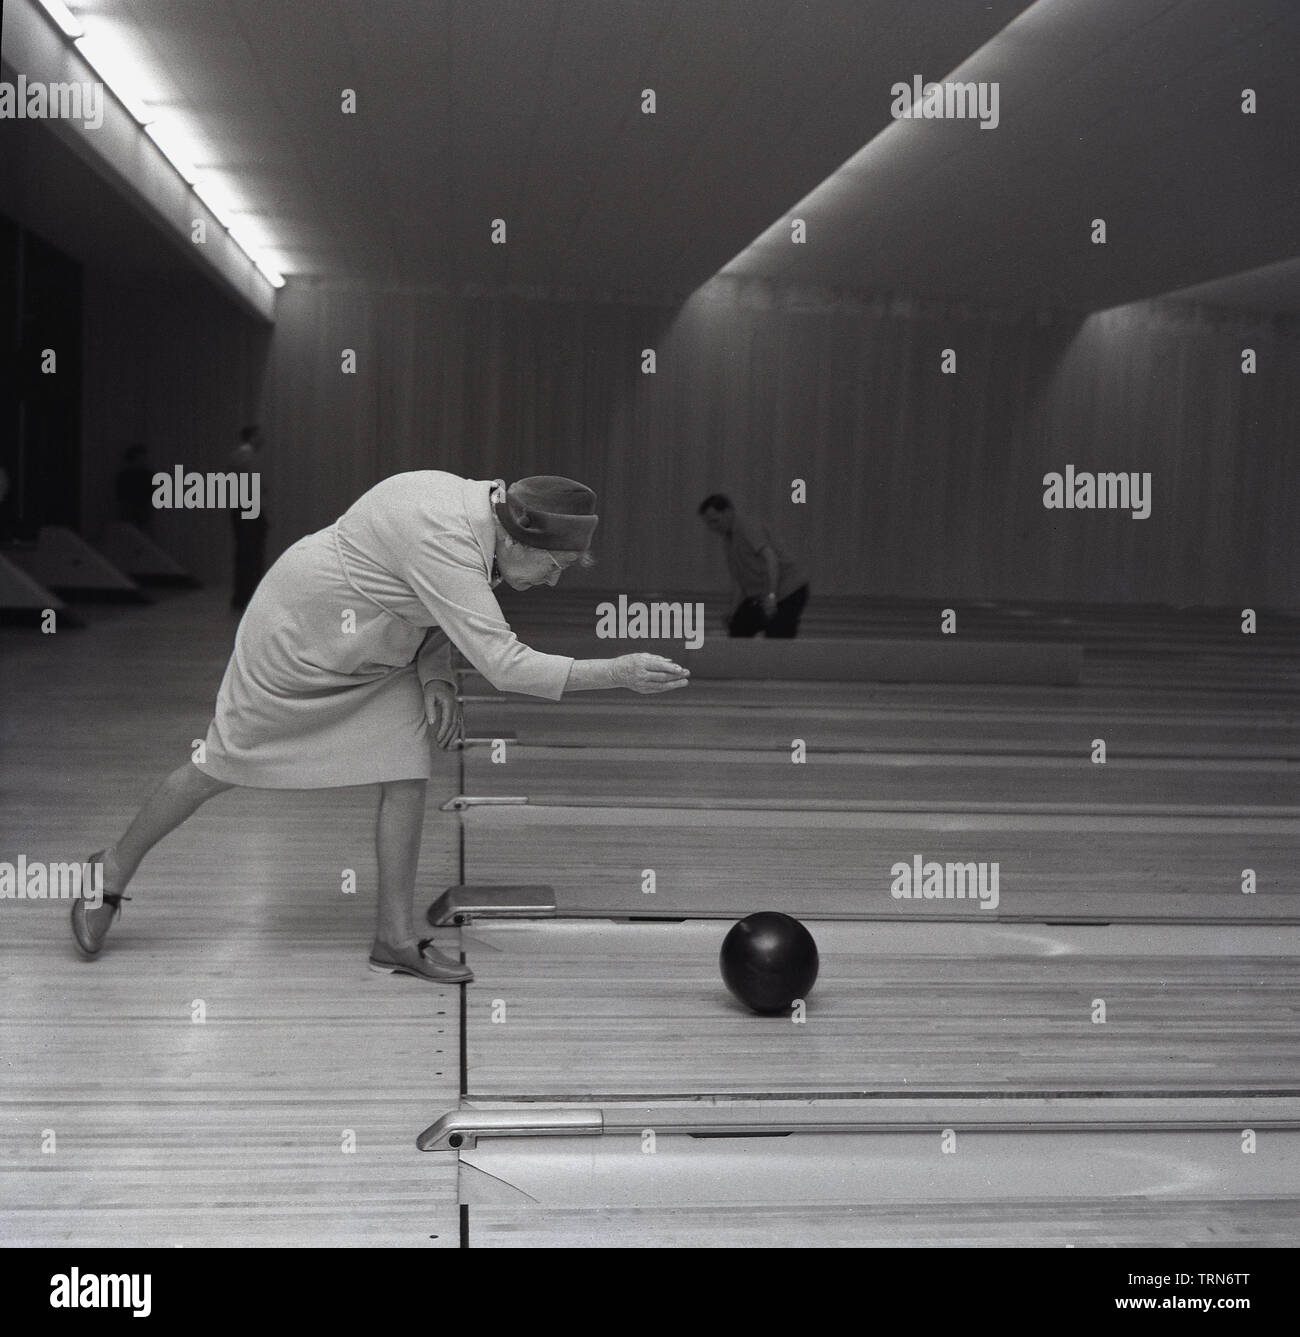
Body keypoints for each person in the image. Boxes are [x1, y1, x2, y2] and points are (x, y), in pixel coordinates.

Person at [72, 472, 689, 984]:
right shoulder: (447, 534)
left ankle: (393, 939)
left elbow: (433, 602)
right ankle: (110, 871)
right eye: (556, 565)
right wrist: (618, 671)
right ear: (518, 536)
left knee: (406, 772)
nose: (554, 580)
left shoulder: (489, 518)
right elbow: (504, 664)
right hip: (300, 632)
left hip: (382, 642)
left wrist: (436, 675)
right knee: (220, 764)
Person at [698, 493, 809, 638]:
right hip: (763, 594)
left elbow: (771, 559)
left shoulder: (747, 526)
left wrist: (771, 596)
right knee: (738, 627)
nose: (712, 527)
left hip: (789, 591)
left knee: (777, 638)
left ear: (728, 512)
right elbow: (740, 581)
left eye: (715, 521)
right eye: (709, 523)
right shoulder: (728, 540)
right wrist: (732, 610)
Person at [230, 425, 268, 610]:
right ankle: (248, 595)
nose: (262, 439)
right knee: (251, 554)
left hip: (241, 508)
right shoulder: (247, 457)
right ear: (252, 437)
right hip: (249, 509)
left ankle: (242, 595)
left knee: (245, 553)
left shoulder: (238, 456)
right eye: (259, 436)